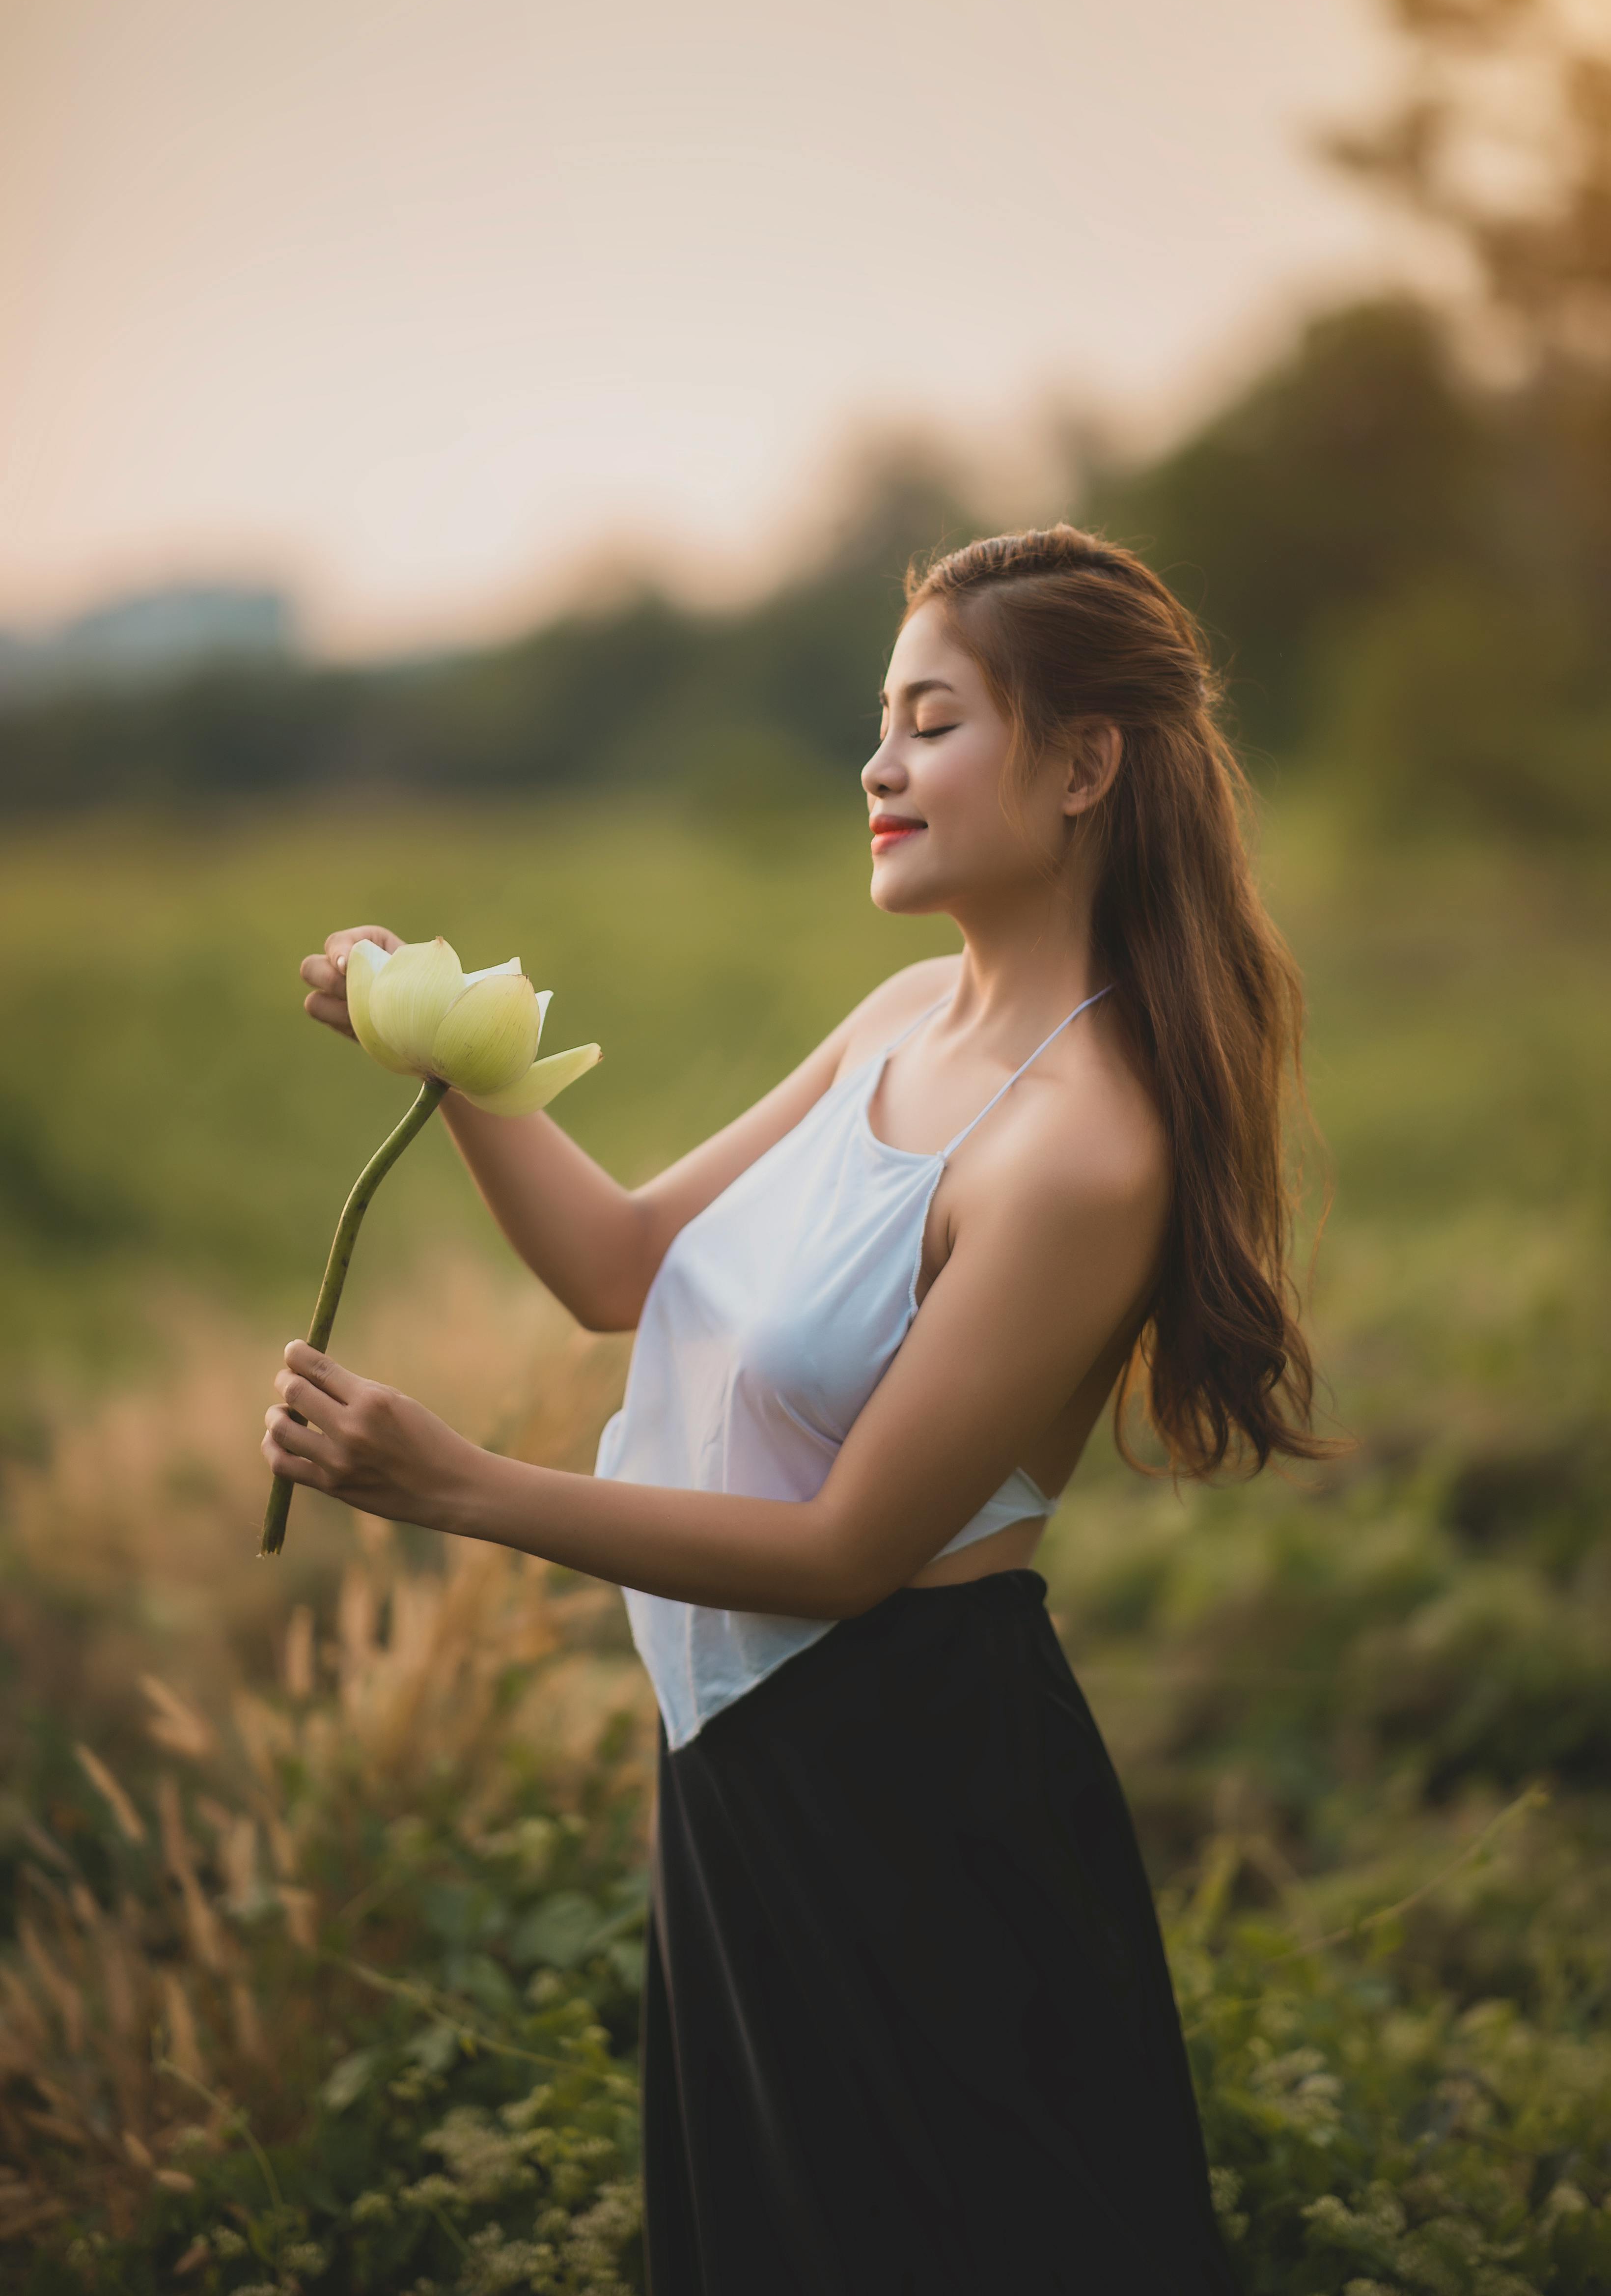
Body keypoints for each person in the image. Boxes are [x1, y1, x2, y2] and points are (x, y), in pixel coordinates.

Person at [274, 524, 1328, 2294]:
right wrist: (438, 1050)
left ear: (1085, 766)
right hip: (747, 1759)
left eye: (933, 721)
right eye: (882, 718)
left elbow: (847, 1553)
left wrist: (464, 1488)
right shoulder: (904, 1016)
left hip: (914, 1784)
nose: (880, 763)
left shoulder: (1085, 1146)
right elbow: (617, 1267)